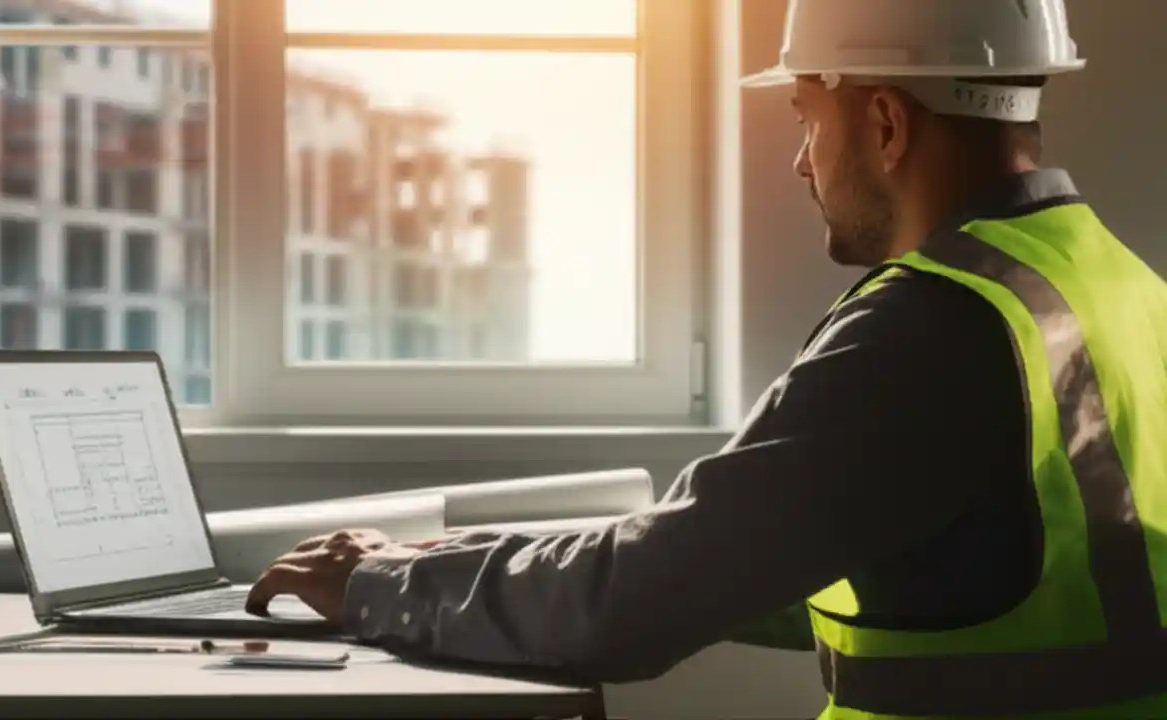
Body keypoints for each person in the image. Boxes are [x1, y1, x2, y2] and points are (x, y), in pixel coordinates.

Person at [246, 1, 1167, 717]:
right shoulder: (1118, 288)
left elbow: (641, 603)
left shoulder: (931, 330)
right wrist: (458, 558)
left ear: (886, 123)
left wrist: (380, 586)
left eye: (807, 116)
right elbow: (757, 557)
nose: (802, 164)